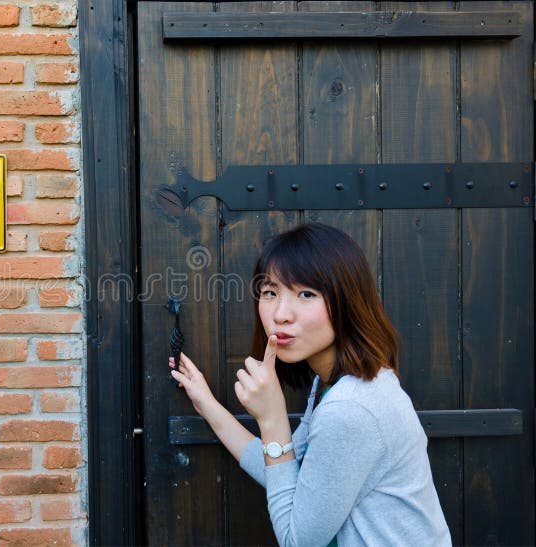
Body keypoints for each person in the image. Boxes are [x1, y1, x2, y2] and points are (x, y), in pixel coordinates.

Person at [169, 223, 451, 547]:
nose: (281, 314)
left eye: (306, 294)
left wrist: (272, 420)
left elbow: (297, 541)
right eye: (270, 292)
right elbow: (285, 473)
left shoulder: (350, 409)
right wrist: (206, 403)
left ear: (346, 301)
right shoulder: (334, 383)